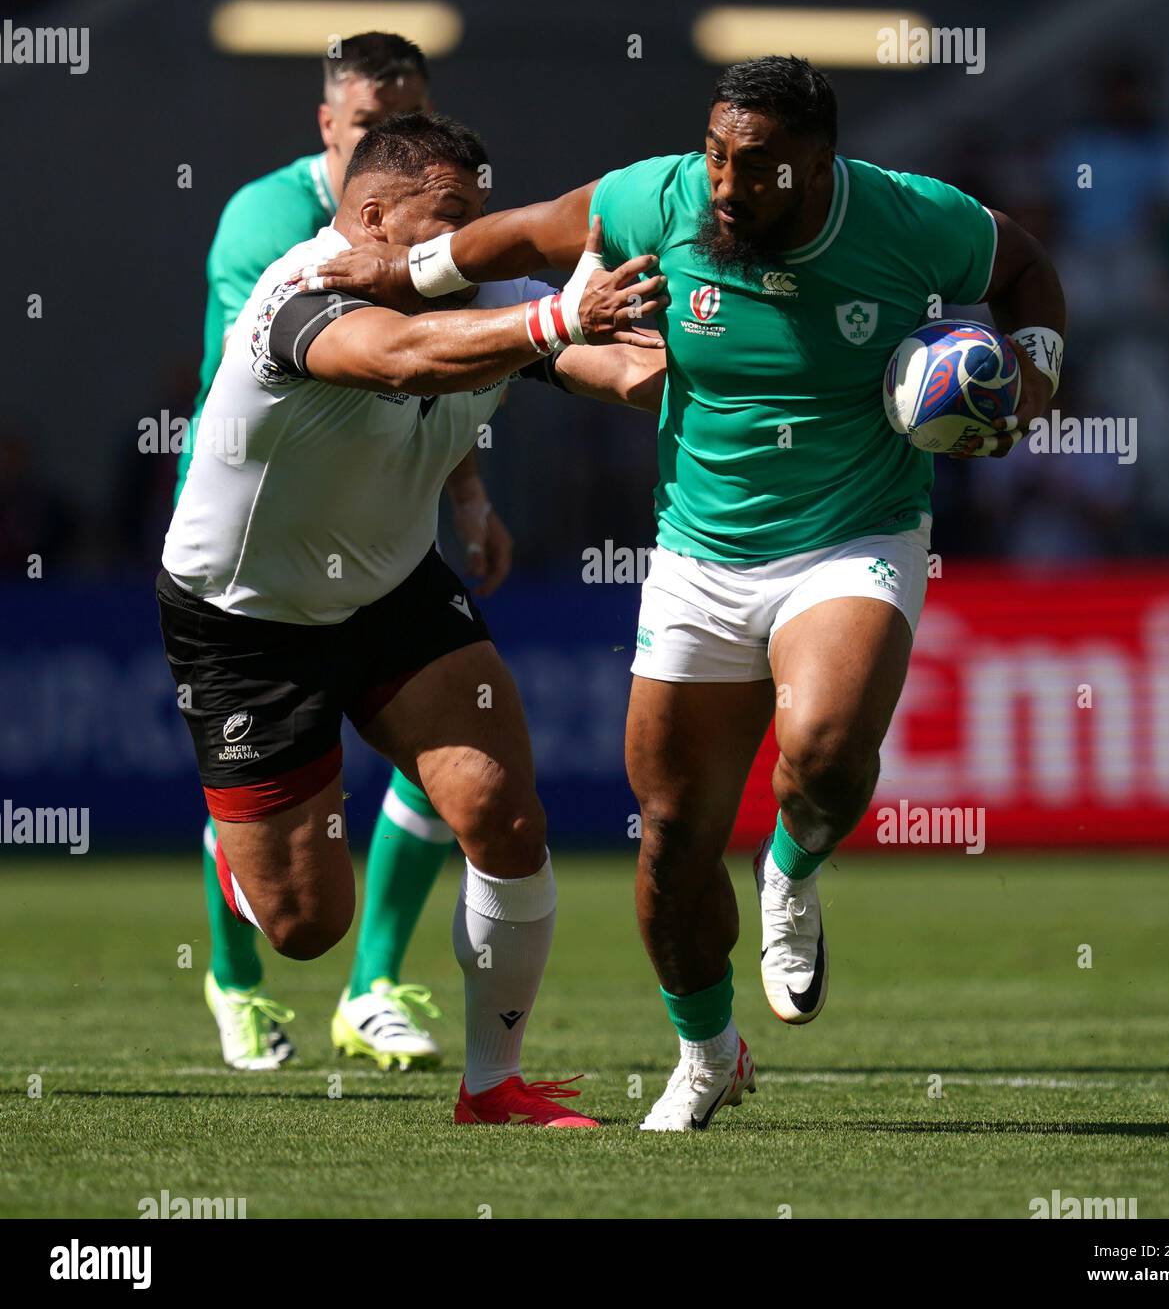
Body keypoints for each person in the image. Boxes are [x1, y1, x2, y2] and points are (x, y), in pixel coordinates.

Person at [307, 56, 1066, 1130]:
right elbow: (520, 236)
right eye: (715, 153)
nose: (724, 183)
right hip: (699, 555)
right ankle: (708, 1051)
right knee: (670, 834)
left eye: (754, 166)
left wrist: (1032, 371)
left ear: (816, 165)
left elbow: (1026, 264)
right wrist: (404, 276)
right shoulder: (660, 195)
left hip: (852, 533)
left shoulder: (909, 217)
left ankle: (794, 870)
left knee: (828, 747)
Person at [160, 111, 665, 1124]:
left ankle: (493, 1085)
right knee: (306, 926)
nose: (465, 243)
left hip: (393, 590)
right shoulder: (299, 293)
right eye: (449, 218)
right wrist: (560, 319)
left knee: (505, 815)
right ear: (376, 216)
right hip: (247, 622)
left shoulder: (481, 297)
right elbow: (399, 357)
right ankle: (239, 845)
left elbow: (632, 370)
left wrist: (723, 336)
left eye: (479, 222)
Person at [188, 32, 513, 1072]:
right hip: (267, 533)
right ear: (330, 127)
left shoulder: (432, 228)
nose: (390, 134)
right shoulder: (275, 226)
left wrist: (463, 485)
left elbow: (433, 372)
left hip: (383, 520)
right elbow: (359, 363)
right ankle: (239, 967)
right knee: (299, 912)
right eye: (371, 122)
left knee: (462, 755)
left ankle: (374, 984)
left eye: (407, 117)